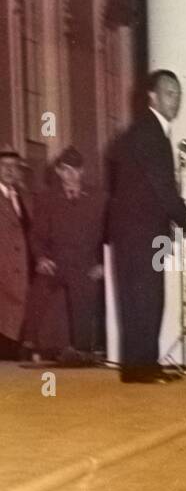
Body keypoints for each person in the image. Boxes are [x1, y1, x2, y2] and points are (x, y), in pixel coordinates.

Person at [106, 69, 186, 383]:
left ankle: (141, 367)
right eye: (169, 93)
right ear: (153, 97)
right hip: (140, 232)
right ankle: (142, 369)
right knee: (145, 298)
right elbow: (164, 188)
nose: (176, 100)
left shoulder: (150, 130)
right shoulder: (150, 132)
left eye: (178, 94)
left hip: (137, 231)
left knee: (140, 299)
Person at [21, 148, 107, 365]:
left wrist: (103, 263)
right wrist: (41, 258)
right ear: (58, 171)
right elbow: (36, 235)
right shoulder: (47, 198)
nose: (70, 176)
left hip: (87, 263)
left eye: (75, 170)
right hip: (56, 262)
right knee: (38, 292)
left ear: (82, 171)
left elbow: (110, 233)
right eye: (65, 170)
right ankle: (31, 345)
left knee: (85, 295)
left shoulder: (99, 197)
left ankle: (83, 351)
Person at [0, 147, 29, 361]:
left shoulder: (24, 196)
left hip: (22, 274)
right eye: (4, 166)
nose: (10, 171)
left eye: (14, 166)